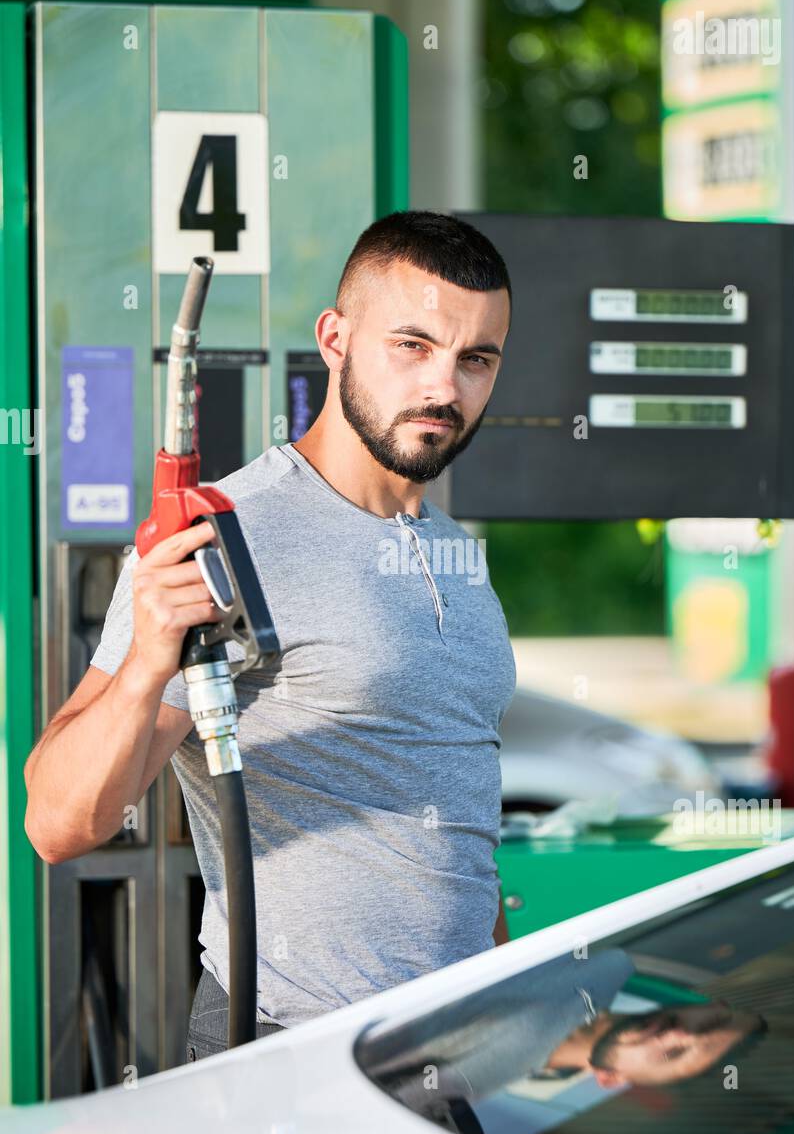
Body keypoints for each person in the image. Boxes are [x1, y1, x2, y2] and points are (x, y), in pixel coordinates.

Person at [24, 210, 517, 1060]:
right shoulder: (231, 531)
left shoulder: (456, 553)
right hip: (294, 1043)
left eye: (476, 359)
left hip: (451, 1040)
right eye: (412, 346)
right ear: (335, 338)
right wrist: (148, 662)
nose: (445, 387)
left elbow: (457, 829)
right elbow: (57, 825)